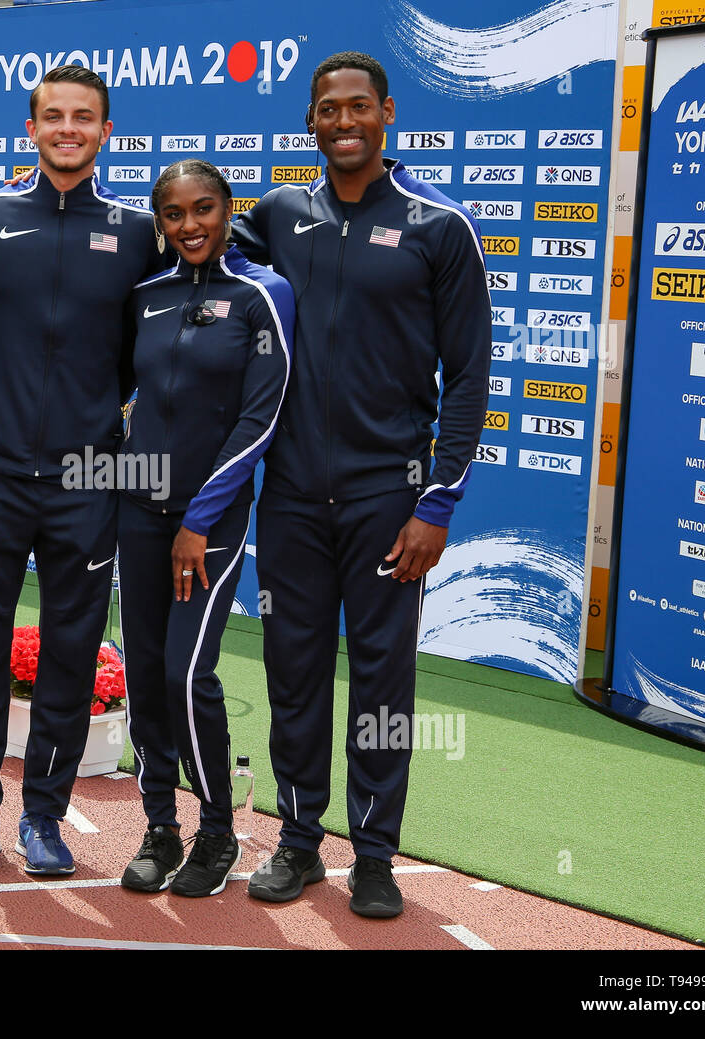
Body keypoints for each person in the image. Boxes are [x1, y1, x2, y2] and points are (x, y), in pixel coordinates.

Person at [232, 52, 490, 917]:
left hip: (391, 497)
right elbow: (189, 248)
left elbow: (471, 379)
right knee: (292, 671)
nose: (343, 123)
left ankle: (374, 853)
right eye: (327, 111)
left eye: (358, 108)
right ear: (310, 122)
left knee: (382, 681)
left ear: (385, 113)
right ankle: (299, 841)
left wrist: (437, 503)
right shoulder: (277, 215)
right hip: (295, 491)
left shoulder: (438, 225)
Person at [0, 64, 161, 876]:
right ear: (30, 128)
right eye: (54, 117)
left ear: (107, 131)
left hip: (88, 476)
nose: (69, 129)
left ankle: (43, 818)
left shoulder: (139, 231)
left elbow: (147, 346)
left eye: (85, 118)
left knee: (71, 649)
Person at [117, 161, 292, 897]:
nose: (190, 225)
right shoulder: (147, 296)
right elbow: (117, 391)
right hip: (135, 508)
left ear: (228, 210)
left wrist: (197, 518)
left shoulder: (262, 294)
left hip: (208, 523)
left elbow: (261, 418)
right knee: (144, 672)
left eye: (205, 209)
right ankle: (161, 825)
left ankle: (218, 829)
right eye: (175, 214)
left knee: (186, 672)